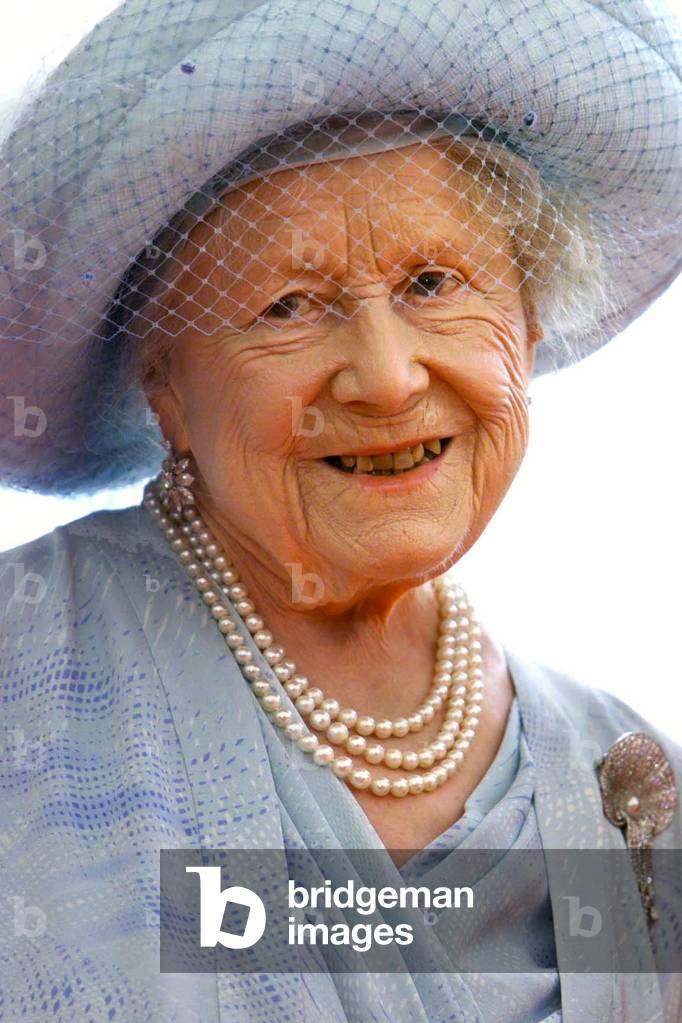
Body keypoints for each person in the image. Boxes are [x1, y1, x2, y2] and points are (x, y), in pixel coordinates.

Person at [0, 1, 680, 1020]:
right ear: (165, 388)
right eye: (288, 304)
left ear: (527, 324)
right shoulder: (27, 657)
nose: (386, 376)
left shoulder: (620, 779)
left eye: (433, 282)